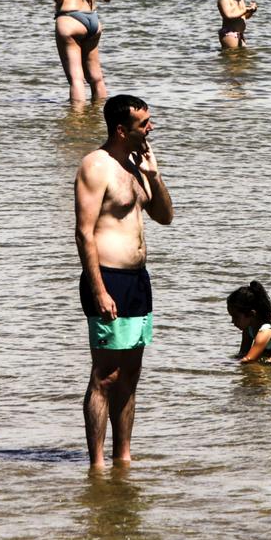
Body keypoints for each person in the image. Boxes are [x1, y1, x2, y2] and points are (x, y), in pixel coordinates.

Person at [74, 93, 173, 469]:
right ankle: (97, 465)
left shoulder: (135, 165)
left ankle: (124, 459)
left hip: (138, 281)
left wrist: (153, 175)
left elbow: (165, 216)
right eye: (144, 123)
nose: (151, 128)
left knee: (130, 374)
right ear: (120, 129)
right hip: (108, 280)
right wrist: (98, 289)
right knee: (105, 375)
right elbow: (84, 233)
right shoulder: (96, 166)